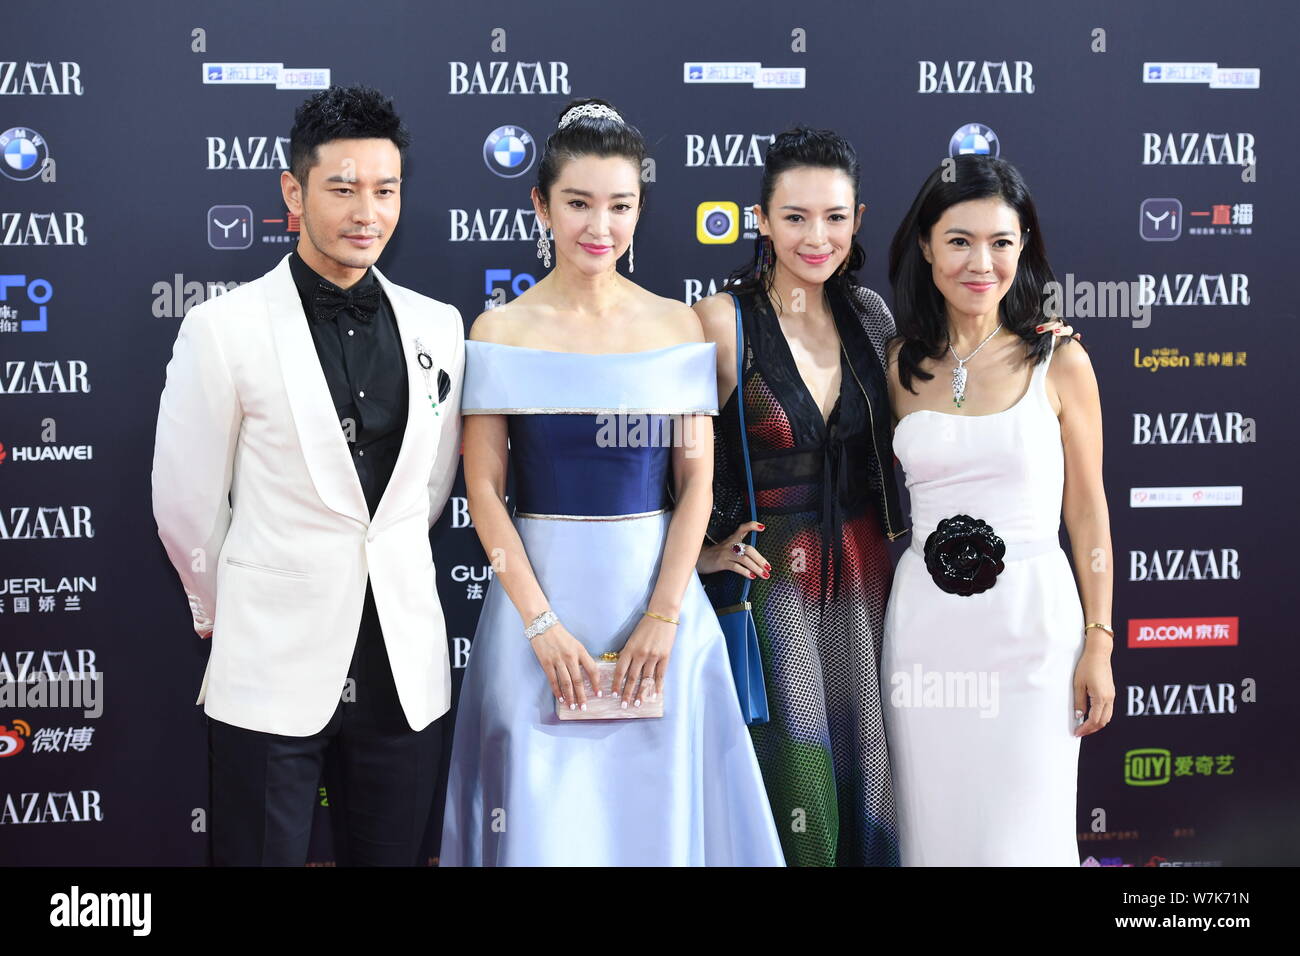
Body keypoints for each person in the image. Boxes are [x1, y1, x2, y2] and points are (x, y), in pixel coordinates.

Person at [439, 99, 784, 866]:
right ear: (541, 206)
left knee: (653, 821)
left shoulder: (675, 328)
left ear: (639, 209)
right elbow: (486, 492)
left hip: (659, 614)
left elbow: (697, 480)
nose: (600, 227)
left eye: (620, 206)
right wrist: (540, 625)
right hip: (534, 618)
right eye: (579, 204)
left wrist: (663, 618)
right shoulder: (499, 331)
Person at [151, 85, 465, 866]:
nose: (368, 211)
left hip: (403, 670)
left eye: (386, 190)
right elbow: (185, 502)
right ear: (294, 193)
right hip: (269, 663)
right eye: (343, 188)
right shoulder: (223, 329)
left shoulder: (439, 326)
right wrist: (236, 606)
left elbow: (427, 492)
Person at [881, 154, 1114, 866]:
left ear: (1024, 248)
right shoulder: (895, 365)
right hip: (926, 637)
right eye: (959, 240)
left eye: (1001, 242)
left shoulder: (1060, 361)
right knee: (935, 833)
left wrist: (1099, 641)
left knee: (1024, 835)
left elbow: (1089, 516)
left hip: (1034, 638)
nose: (980, 262)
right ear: (926, 246)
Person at [693, 128, 907, 866]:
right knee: (798, 786)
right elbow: (672, 461)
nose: (817, 237)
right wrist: (701, 549)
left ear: (858, 219)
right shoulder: (724, 321)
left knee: (873, 776)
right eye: (795, 217)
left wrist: (1026, 342)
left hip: (869, 573)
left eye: (836, 217)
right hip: (777, 586)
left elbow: (945, 403)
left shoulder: (872, 319)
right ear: (760, 219)